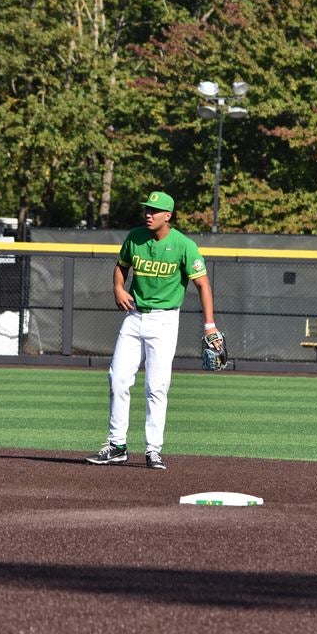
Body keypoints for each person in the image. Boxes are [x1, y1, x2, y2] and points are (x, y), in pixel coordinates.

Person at [86, 191, 221, 470]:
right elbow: (121, 267)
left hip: (164, 321)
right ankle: (117, 445)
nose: (148, 214)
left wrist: (210, 326)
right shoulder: (135, 237)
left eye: (155, 210)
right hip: (134, 317)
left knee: (156, 387)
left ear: (168, 216)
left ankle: (153, 450)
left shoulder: (183, 245)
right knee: (118, 378)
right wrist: (118, 288)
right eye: (147, 209)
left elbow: (203, 284)